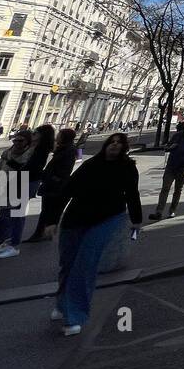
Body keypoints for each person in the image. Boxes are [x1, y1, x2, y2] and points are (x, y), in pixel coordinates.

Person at [55, 133, 142, 336]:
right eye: (111, 142)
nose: (114, 146)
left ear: (124, 148)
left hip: (107, 218)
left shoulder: (127, 167)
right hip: (76, 218)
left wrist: (136, 219)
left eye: (119, 143)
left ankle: (74, 315)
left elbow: (132, 193)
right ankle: (62, 303)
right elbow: (67, 190)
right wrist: (51, 220)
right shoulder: (91, 165)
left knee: (85, 264)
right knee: (67, 264)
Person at [0, 124, 55, 256]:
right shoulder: (34, 148)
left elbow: (32, 168)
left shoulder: (40, 150)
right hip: (23, 180)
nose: (33, 135)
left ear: (41, 136)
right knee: (13, 213)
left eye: (35, 133)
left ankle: (14, 246)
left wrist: (12, 163)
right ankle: (11, 242)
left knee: (17, 214)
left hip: (26, 182)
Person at [26, 128, 79, 243]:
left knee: (47, 211)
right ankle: (45, 233)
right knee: (48, 211)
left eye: (59, 135)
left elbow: (64, 170)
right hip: (53, 184)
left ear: (65, 137)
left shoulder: (68, 151)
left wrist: (52, 178)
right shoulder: (63, 149)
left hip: (55, 186)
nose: (57, 137)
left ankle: (40, 233)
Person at [150, 119, 184, 220]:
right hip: (171, 166)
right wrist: (170, 147)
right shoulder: (177, 135)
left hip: (183, 168)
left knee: (178, 190)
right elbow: (167, 147)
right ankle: (159, 211)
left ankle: (172, 210)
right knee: (165, 188)